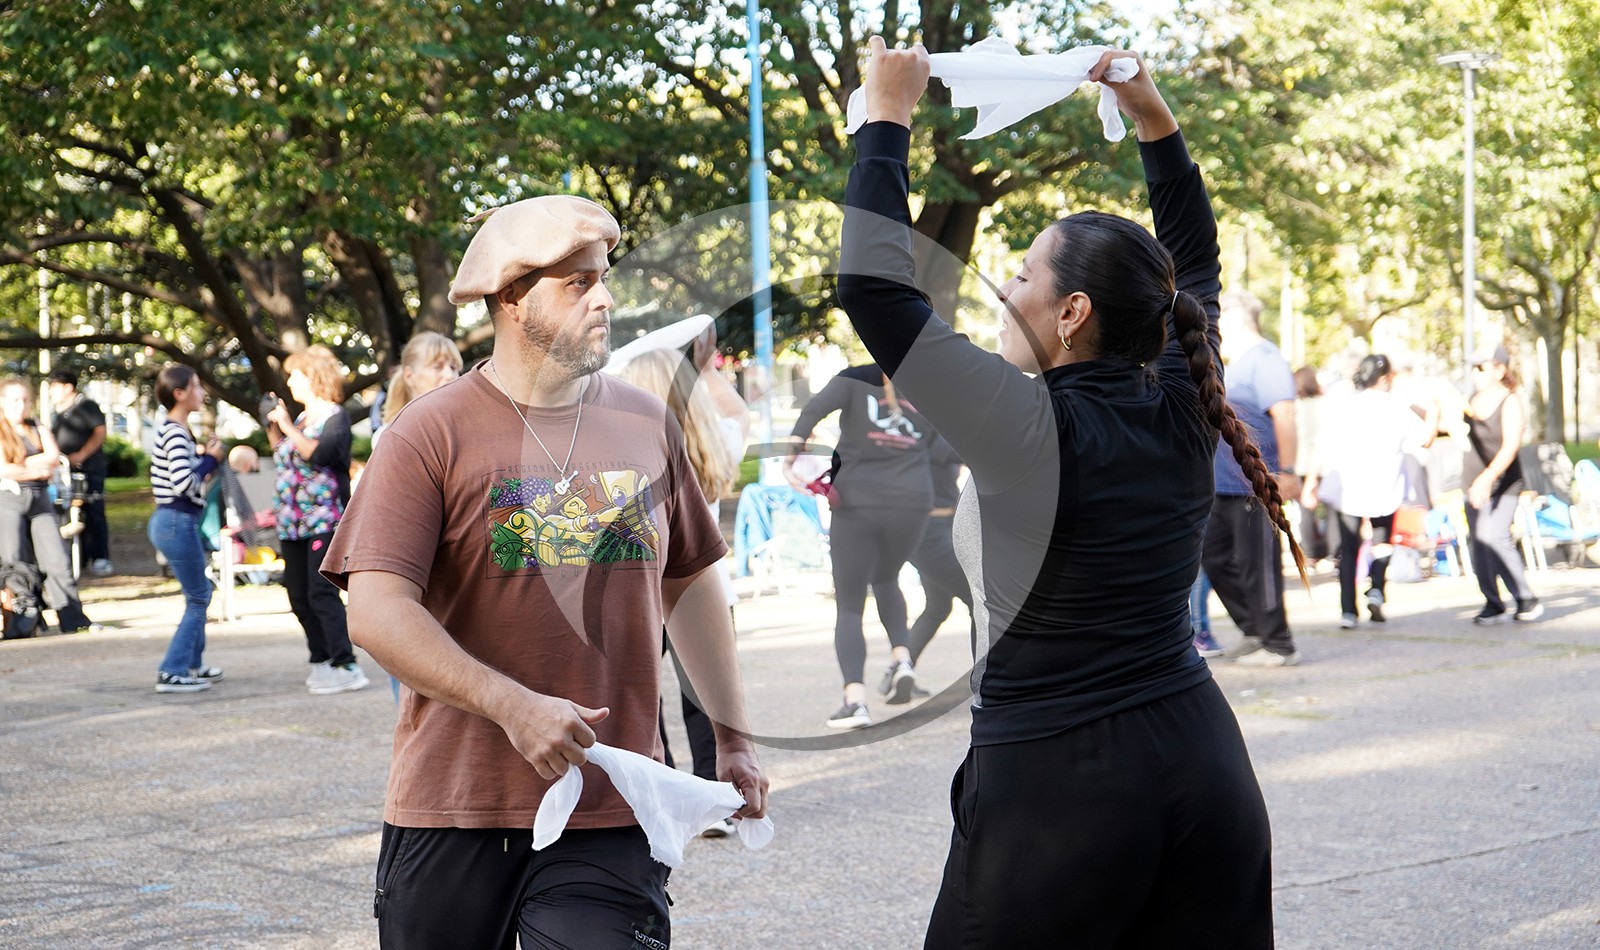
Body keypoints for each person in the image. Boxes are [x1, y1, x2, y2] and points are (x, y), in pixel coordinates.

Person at [843, 41, 1299, 947]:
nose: (1003, 291)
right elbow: (1193, 262)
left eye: (1020, 276)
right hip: (1205, 771)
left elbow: (874, 290)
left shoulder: (1024, 424)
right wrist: (1152, 117)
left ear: (1073, 313)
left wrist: (886, 114)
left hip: (1059, 799)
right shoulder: (1183, 393)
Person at [321, 194, 767, 948]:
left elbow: (688, 581)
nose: (605, 300)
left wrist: (733, 735)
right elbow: (375, 612)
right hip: (455, 808)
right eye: (578, 283)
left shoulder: (645, 424)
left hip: (611, 808)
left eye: (603, 278)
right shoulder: (426, 436)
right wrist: (512, 705)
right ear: (510, 298)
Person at [615, 345, 741, 836]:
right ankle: (717, 799)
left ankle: (658, 796)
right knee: (705, 700)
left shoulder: (627, 447)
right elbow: (739, 412)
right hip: (710, 590)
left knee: (645, 696)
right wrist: (705, 369)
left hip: (645, 587)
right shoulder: (716, 441)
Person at [783, 363, 933, 728]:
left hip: (857, 499)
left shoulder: (857, 376)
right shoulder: (932, 382)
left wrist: (791, 457)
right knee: (887, 578)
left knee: (850, 603)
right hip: (914, 502)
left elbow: (813, 409)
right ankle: (902, 660)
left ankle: (856, 702)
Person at [1203, 290, 1303, 666]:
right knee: (1211, 555)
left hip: (1255, 482)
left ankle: (1278, 643)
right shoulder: (1235, 363)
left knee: (1258, 564)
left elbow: (1286, 415)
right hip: (1223, 484)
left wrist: (1288, 471)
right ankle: (1254, 630)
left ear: (1232, 320)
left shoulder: (1266, 359)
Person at [1301, 354, 1437, 628]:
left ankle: (1348, 611)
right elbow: (1424, 440)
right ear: (1385, 378)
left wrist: (1310, 482)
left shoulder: (1344, 405)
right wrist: (1433, 412)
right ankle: (1376, 587)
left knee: (1349, 549)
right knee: (1382, 541)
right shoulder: (1396, 407)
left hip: (1347, 488)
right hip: (1383, 486)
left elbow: (1322, 444)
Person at [266, 345, 369, 695]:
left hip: (324, 519)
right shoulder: (299, 420)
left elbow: (320, 455)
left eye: (295, 374)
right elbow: (285, 456)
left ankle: (346, 662)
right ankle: (321, 658)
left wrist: (285, 427)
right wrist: (276, 428)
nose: (290, 381)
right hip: (291, 521)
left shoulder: (334, 417)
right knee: (296, 594)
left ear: (312, 377)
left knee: (321, 591)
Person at [147, 364, 225, 692]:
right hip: (176, 519)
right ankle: (173, 669)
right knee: (199, 596)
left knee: (197, 594)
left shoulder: (173, 429)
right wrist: (212, 460)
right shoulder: (175, 431)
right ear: (179, 394)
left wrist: (204, 457)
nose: (202, 392)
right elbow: (182, 481)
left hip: (173, 520)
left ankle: (192, 663)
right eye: (196, 386)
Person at [0, 378, 97, 638]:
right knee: (15, 560)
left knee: (57, 558)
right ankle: (23, 620)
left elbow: (54, 458)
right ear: (3, 402)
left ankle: (72, 617)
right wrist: (34, 465)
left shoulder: (36, 426)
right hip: (8, 499)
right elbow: (3, 468)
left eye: (25, 400)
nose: (21, 406)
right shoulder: (1, 429)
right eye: (14, 400)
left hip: (40, 497)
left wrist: (22, 465)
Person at [1462, 344, 1542, 624]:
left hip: (1503, 483)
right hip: (1472, 482)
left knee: (1495, 535)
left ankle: (1525, 598)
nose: (1476, 373)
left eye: (1481, 367)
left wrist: (1488, 478)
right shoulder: (1469, 400)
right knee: (1479, 542)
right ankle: (1492, 602)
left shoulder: (1510, 402)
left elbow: (1510, 448)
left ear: (1500, 369)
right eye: (1473, 367)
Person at [900, 431, 972, 697]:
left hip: (935, 530)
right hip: (931, 532)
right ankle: (989, 677)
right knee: (978, 599)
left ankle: (898, 670)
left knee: (937, 607)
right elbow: (973, 451)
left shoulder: (932, 433)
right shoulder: (935, 433)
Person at [46, 368, 113, 576]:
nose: (51, 392)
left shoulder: (87, 406)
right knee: (71, 513)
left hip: (89, 470)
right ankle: (80, 558)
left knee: (94, 511)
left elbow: (100, 432)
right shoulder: (58, 413)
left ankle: (100, 557)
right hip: (65, 472)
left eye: (55, 387)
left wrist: (82, 455)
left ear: (68, 387)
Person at [373, 331, 463, 449]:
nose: (449, 375)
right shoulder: (391, 437)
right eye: (437, 367)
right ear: (409, 376)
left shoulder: (468, 426)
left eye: (453, 367)